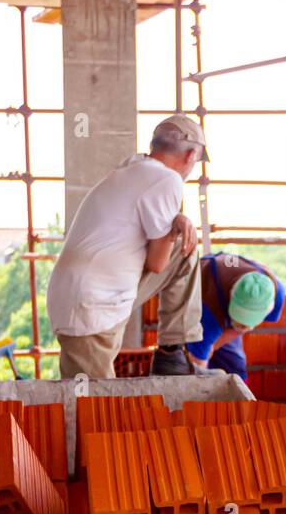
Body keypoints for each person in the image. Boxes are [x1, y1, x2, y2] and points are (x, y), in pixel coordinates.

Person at [47, 115, 207, 379]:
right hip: (90, 306)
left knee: (185, 249)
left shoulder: (133, 167)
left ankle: (171, 353)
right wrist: (175, 224)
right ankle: (170, 354)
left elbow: (163, 255)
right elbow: (157, 264)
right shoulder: (168, 180)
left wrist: (175, 223)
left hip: (91, 293)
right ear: (191, 155)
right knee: (95, 409)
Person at [176, 253, 285, 379]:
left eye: (247, 320)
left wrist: (216, 344)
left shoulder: (276, 294)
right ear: (231, 296)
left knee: (235, 371)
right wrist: (205, 351)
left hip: (222, 293)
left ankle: (240, 399)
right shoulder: (209, 310)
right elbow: (197, 367)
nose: (243, 325)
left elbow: (240, 328)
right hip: (192, 290)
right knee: (193, 366)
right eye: (239, 318)